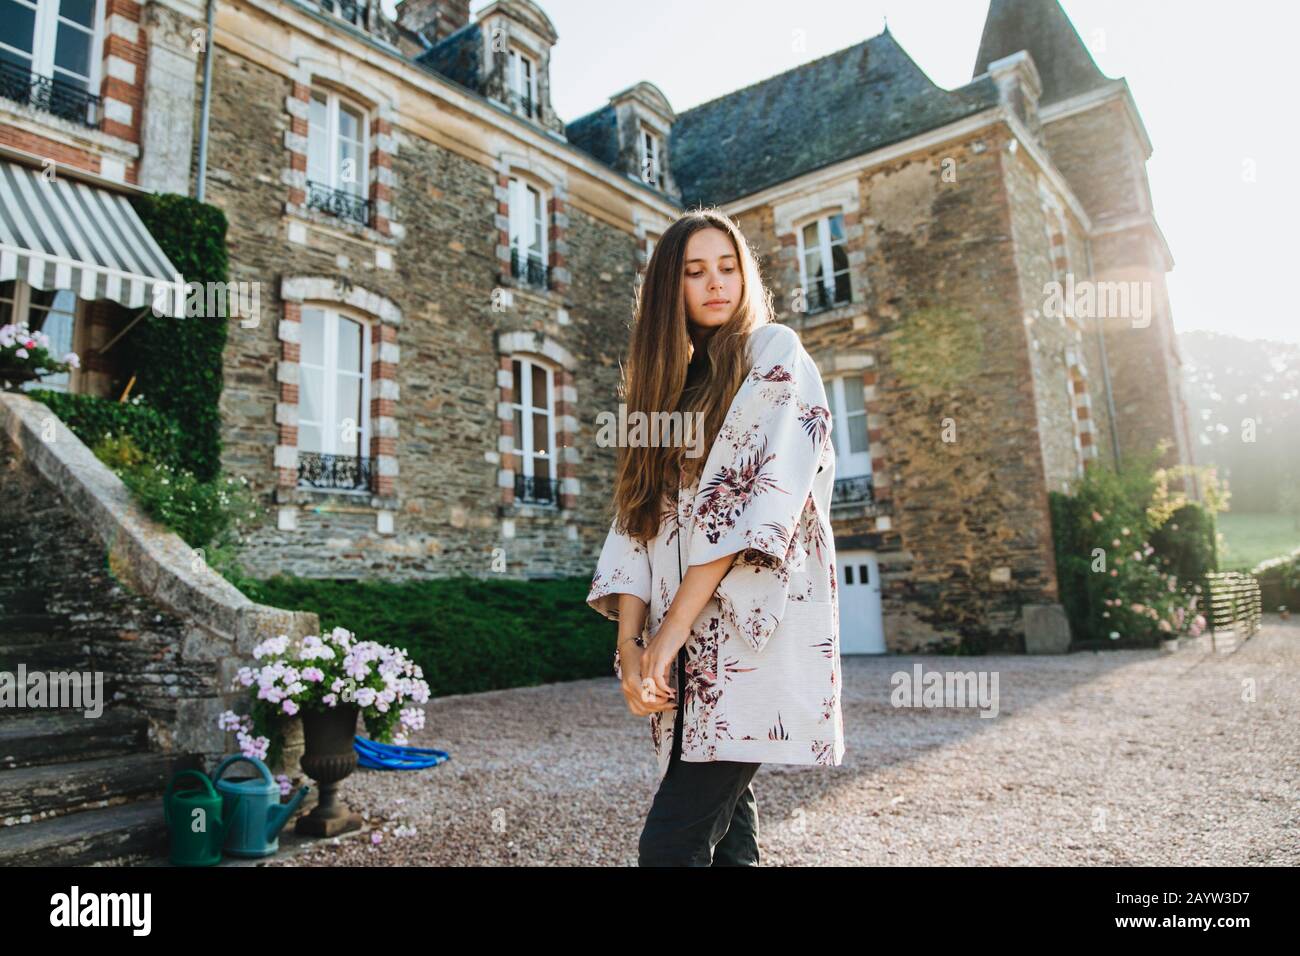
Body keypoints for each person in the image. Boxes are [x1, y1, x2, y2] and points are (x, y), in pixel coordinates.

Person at [586, 207, 846, 867]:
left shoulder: (773, 354)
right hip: (683, 649)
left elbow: (746, 509)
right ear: (670, 287)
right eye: (695, 271)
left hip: (746, 636)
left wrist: (663, 640)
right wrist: (630, 647)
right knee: (729, 845)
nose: (715, 284)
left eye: (727, 268)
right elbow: (636, 524)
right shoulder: (663, 392)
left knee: (670, 845)